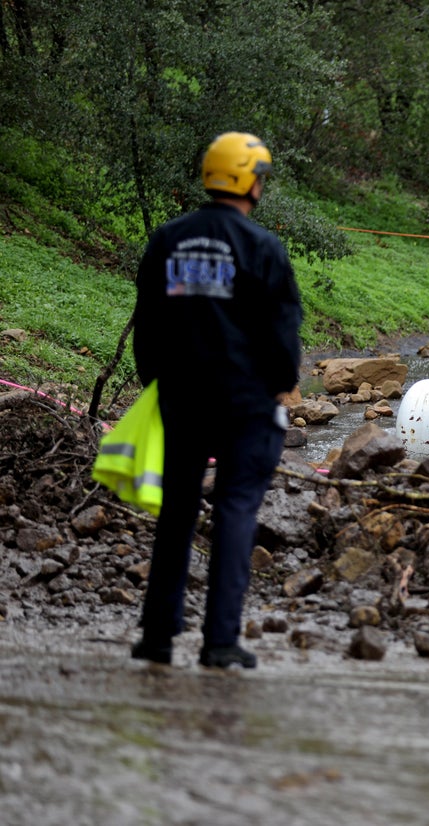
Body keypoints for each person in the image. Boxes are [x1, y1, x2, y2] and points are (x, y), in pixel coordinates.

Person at [129, 132, 303, 668]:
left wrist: (154, 383)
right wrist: (282, 383)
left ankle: (158, 637)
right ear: (248, 180)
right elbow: (282, 330)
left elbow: (148, 323)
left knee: (176, 513)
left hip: (180, 399)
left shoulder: (168, 239)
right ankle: (220, 642)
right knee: (235, 513)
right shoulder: (261, 246)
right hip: (246, 405)